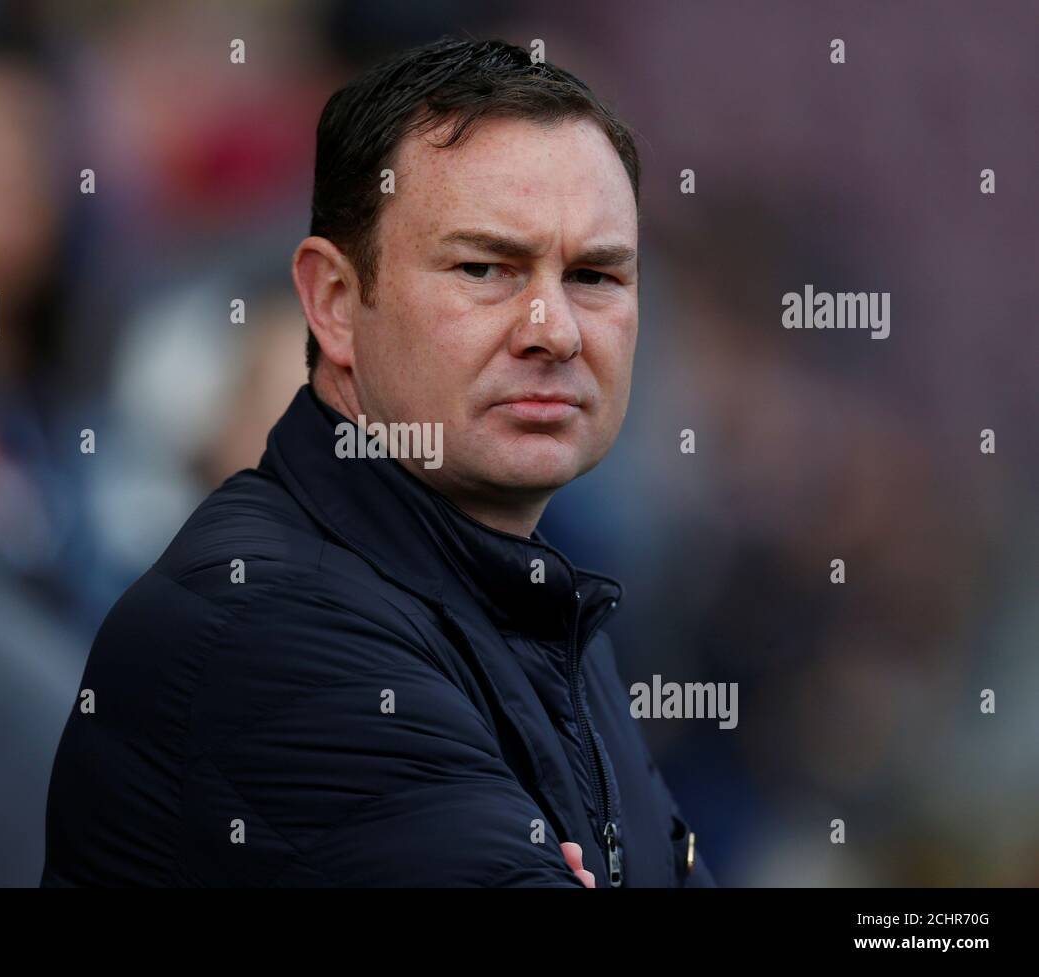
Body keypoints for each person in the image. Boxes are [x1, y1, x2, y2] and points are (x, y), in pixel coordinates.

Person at [42, 36, 715, 887]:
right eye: (485, 267)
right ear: (332, 301)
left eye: (594, 275)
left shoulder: (549, 613)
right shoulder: (270, 623)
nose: (555, 329)